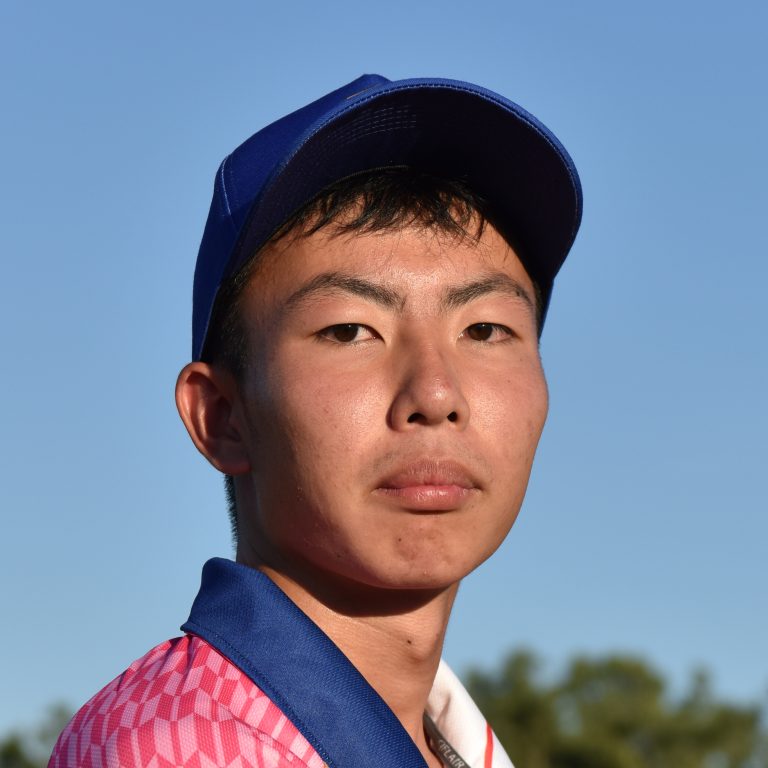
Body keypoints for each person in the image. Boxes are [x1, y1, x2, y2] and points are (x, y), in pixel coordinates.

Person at [49, 74, 582, 768]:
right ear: (222, 417)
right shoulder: (183, 749)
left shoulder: (439, 739)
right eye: (350, 331)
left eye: (483, 328)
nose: (436, 391)